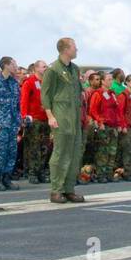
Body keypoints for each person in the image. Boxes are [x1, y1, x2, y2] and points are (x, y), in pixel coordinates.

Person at [42, 37, 85, 204]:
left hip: (74, 115)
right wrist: (50, 116)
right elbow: (45, 95)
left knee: (74, 153)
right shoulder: (52, 70)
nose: (76, 49)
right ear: (65, 49)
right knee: (60, 153)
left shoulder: (75, 69)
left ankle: (69, 189)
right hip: (60, 114)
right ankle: (56, 190)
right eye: (74, 47)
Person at [0, 57, 22, 191]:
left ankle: (7, 178)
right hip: (0, 124)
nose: (16, 67)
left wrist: (19, 122)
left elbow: (17, 105)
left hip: (12, 124)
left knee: (11, 152)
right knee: (0, 153)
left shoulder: (14, 83)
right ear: (6, 65)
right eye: (14, 64)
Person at [19, 59, 51, 184]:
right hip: (34, 120)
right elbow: (24, 100)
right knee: (34, 148)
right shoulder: (30, 82)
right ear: (36, 68)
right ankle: (32, 172)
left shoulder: (46, 83)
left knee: (44, 148)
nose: (46, 68)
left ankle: (41, 171)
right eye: (43, 66)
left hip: (45, 119)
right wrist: (24, 116)